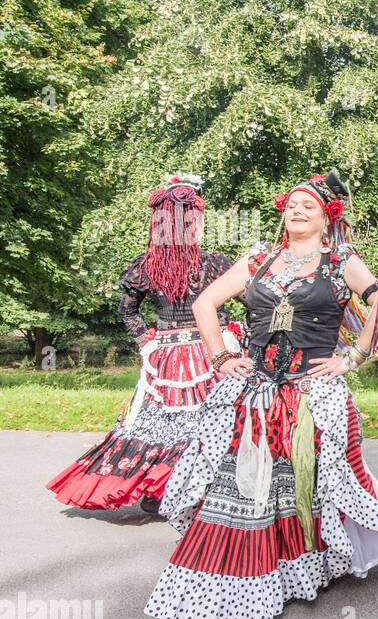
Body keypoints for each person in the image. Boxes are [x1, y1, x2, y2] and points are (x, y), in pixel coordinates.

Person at [144, 173, 378, 619]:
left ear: (327, 215)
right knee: (241, 488)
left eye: (308, 206)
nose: (297, 211)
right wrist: (220, 357)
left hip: (312, 391)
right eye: (291, 205)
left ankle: (299, 568)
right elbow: (204, 304)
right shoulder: (259, 258)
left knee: (308, 487)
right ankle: (226, 586)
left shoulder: (340, 260)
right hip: (252, 390)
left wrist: (351, 359)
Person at [46, 174, 241, 513]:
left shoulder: (148, 265)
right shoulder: (215, 263)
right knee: (216, 418)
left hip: (167, 354)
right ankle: (202, 488)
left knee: (160, 422)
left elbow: (128, 310)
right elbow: (255, 301)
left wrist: (145, 342)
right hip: (213, 348)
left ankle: (160, 488)